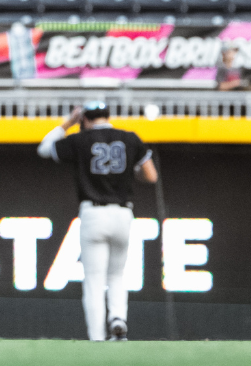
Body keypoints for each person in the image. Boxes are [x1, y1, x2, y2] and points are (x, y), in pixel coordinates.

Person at [37, 102, 158, 341]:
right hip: (123, 212)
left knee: (93, 279)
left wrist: (68, 123)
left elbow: (44, 148)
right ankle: (118, 318)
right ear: (107, 115)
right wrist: (129, 173)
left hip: (93, 213)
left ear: (84, 119)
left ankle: (96, 338)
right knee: (117, 274)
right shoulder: (130, 138)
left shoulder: (81, 140)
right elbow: (151, 175)